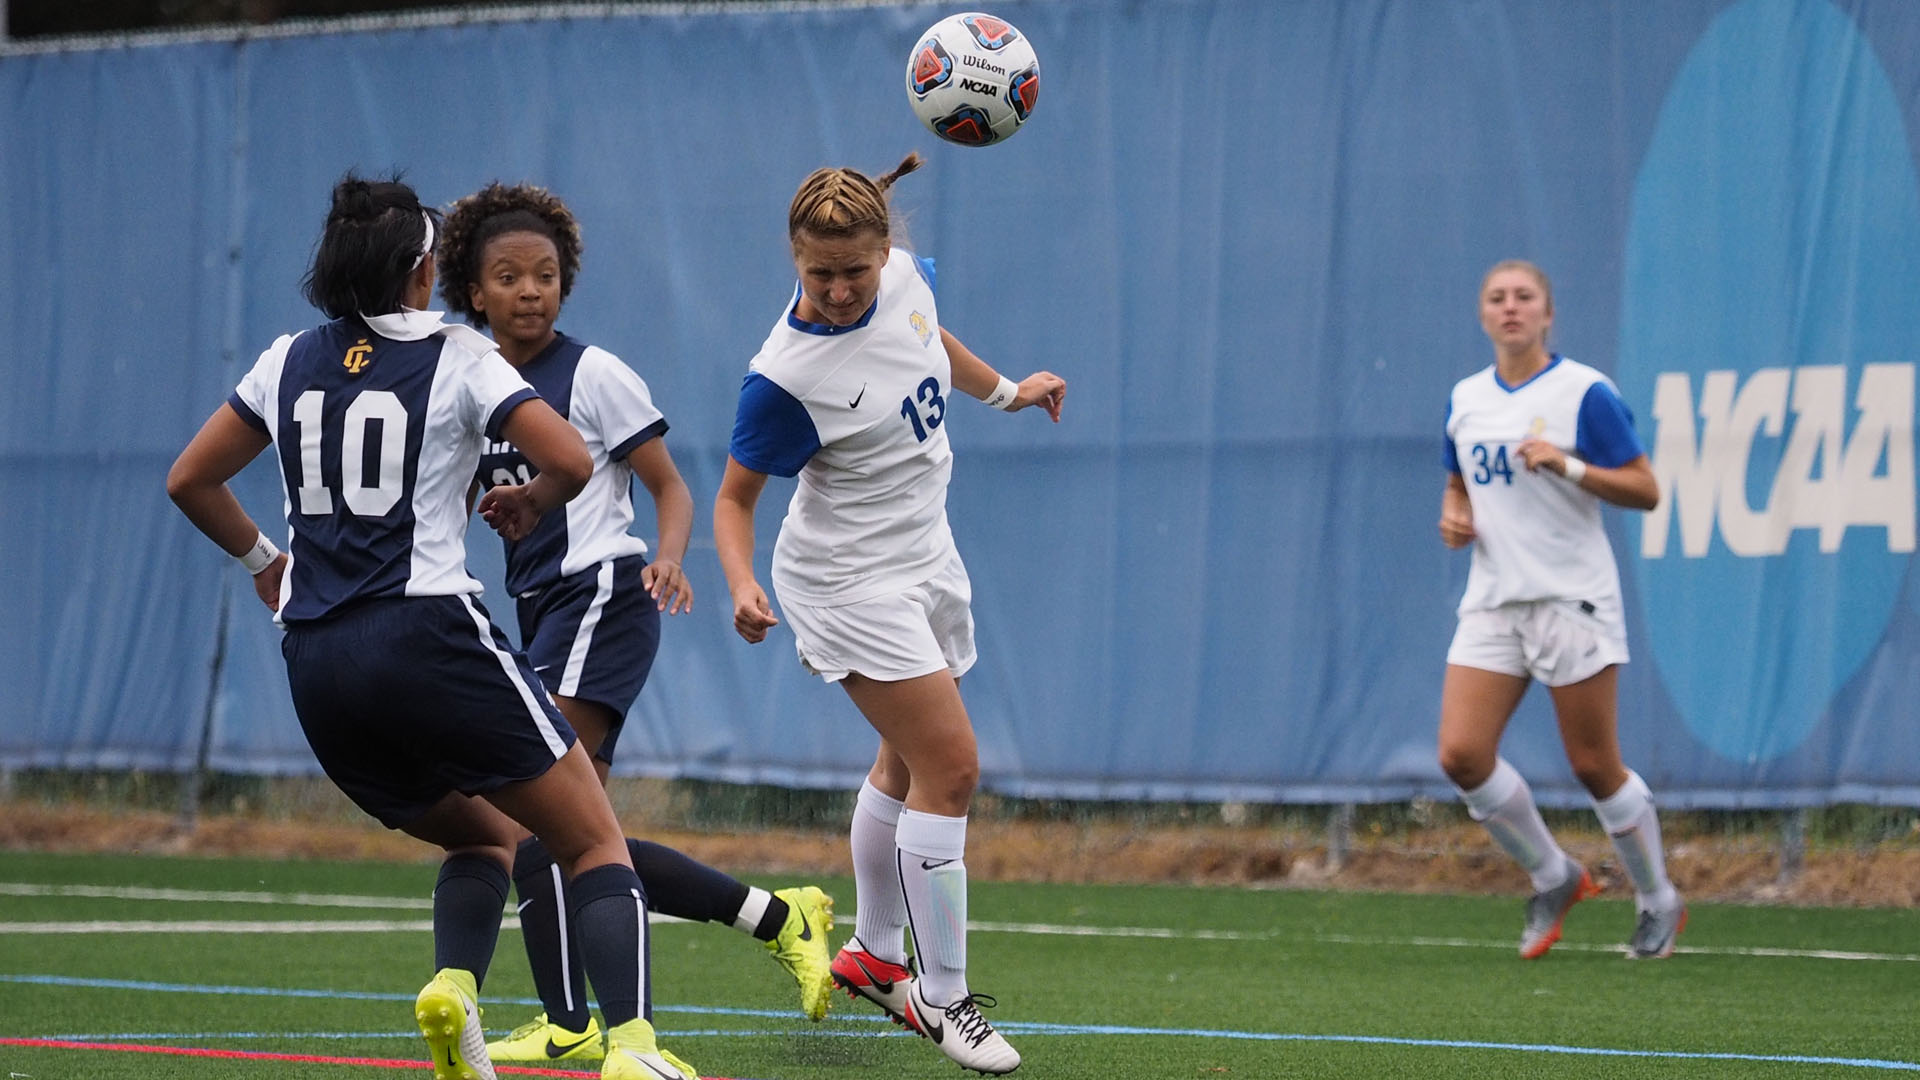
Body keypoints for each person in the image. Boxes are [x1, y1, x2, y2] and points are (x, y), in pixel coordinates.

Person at [165, 173, 698, 1080]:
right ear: (423, 272)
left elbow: (190, 480)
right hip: (428, 635)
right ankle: (638, 1051)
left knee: (483, 834)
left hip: (318, 662)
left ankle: (454, 989)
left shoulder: (287, 357)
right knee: (591, 837)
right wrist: (532, 497)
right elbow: (569, 457)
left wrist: (265, 563)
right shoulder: (459, 354)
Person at [434, 182, 835, 1063]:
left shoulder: (593, 374)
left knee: (545, 817)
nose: (531, 290)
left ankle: (579, 1025)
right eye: (509, 276)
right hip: (542, 614)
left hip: (604, 599)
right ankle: (778, 917)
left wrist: (668, 555)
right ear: (473, 291)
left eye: (545, 274)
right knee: (576, 832)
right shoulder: (465, 376)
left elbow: (671, 486)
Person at [713, 152, 1065, 1076]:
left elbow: (930, 341)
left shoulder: (909, 279)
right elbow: (734, 498)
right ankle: (942, 999)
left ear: (885, 251)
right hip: (844, 580)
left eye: (853, 270)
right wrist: (742, 582)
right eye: (817, 273)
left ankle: (872, 951)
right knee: (952, 766)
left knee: (907, 761)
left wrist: (1007, 393)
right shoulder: (784, 379)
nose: (837, 288)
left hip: (921, 556)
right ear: (793, 260)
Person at [1437, 259, 1686, 960]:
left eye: (1525, 297)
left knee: (1593, 764)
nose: (1510, 308)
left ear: (1548, 314)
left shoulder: (1585, 393)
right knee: (1461, 754)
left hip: (1570, 598)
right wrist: (1455, 514)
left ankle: (1658, 898)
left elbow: (1645, 488)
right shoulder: (1465, 399)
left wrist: (1568, 465)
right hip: (1494, 600)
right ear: (1483, 315)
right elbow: (1458, 482)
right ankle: (1555, 875)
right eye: (1497, 298)